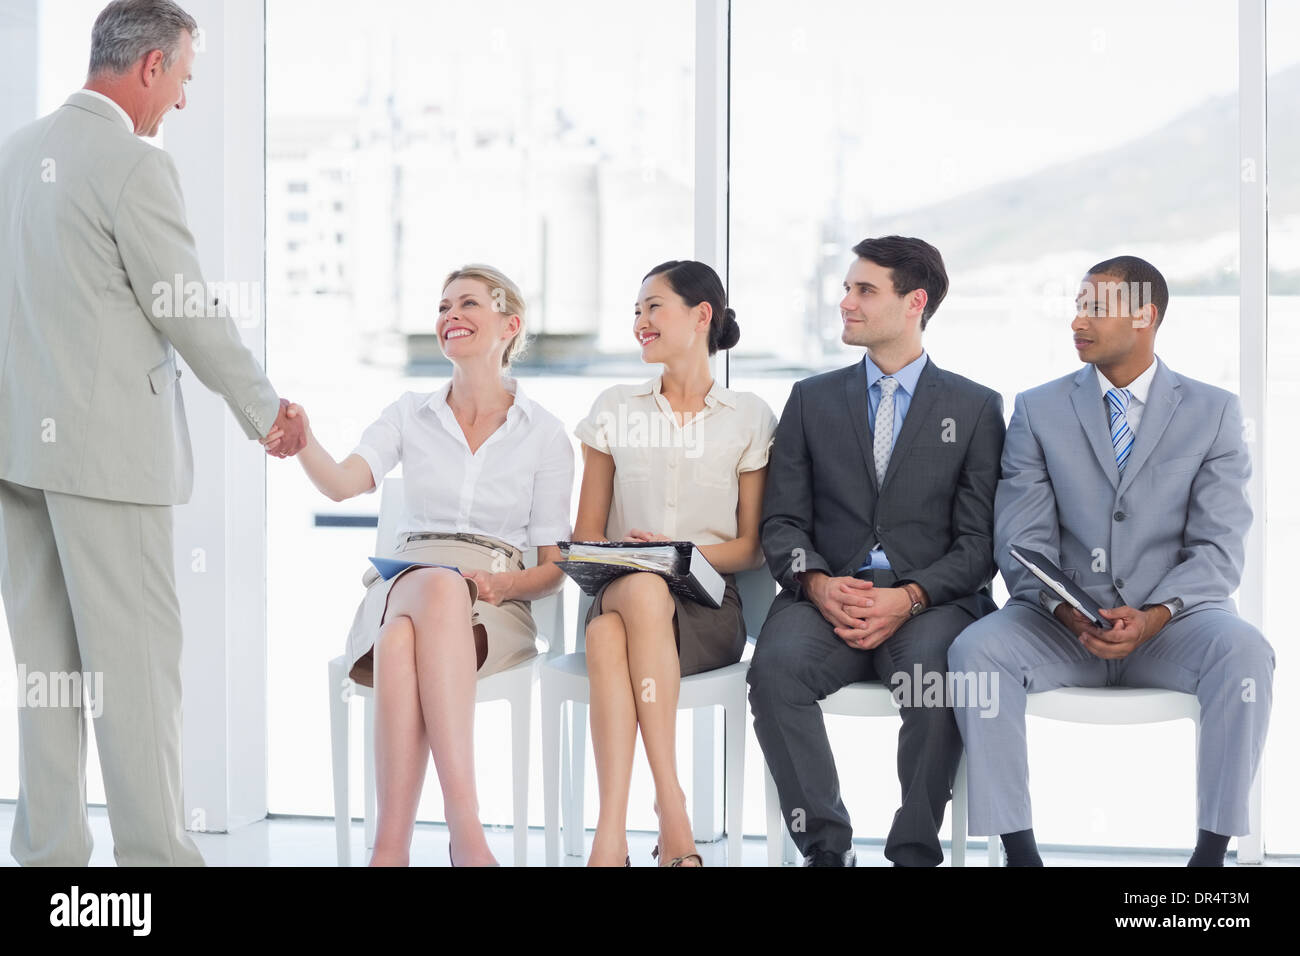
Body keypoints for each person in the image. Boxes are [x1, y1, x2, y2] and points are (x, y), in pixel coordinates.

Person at [0, 0, 306, 867]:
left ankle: (51, 859)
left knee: (48, 674)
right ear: (150, 68)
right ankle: (155, 866)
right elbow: (190, 313)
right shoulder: (132, 166)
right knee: (134, 677)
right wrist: (263, 409)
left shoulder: (14, 154)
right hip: (108, 460)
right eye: (183, 78)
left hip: (19, 450)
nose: (180, 100)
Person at [948, 255, 1274, 867]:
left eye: (1094, 308)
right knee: (975, 651)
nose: (1078, 320)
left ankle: (1210, 861)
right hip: (1059, 627)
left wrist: (1154, 615)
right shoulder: (1038, 409)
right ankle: (1020, 856)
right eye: (1077, 306)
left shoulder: (1215, 412)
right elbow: (1021, 538)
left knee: (1247, 652)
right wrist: (1070, 614)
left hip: (1173, 626)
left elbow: (1219, 545)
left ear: (1146, 315)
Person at [271, 265, 573, 866]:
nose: (449, 315)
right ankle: (468, 836)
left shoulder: (546, 435)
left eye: (467, 304)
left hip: (494, 599)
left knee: (405, 638)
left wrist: (501, 583)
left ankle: (390, 852)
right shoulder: (409, 412)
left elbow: (553, 567)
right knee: (430, 590)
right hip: (405, 579)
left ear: (510, 325)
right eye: (442, 307)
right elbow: (342, 484)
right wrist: (305, 441)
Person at [748, 235, 1006, 867]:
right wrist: (817, 585)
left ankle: (915, 850)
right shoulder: (812, 400)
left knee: (938, 682)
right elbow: (781, 522)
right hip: (824, 597)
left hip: (932, 602)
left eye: (864, 290)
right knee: (773, 672)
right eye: (847, 288)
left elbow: (980, 546)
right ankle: (827, 849)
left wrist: (910, 598)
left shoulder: (974, 408)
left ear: (914, 301)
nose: (846, 302)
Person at [571, 260, 776, 867]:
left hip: (709, 604)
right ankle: (673, 808)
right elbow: (586, 534)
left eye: (652, 307)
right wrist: (640, 560)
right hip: (619, 584)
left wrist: (672, 555)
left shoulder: (750, 417)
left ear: (701, 315)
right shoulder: (614, 407)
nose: (640, 322)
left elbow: (749, 547)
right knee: (639, 592)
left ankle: (610, 839)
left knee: (611, 636)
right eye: (636, 311)